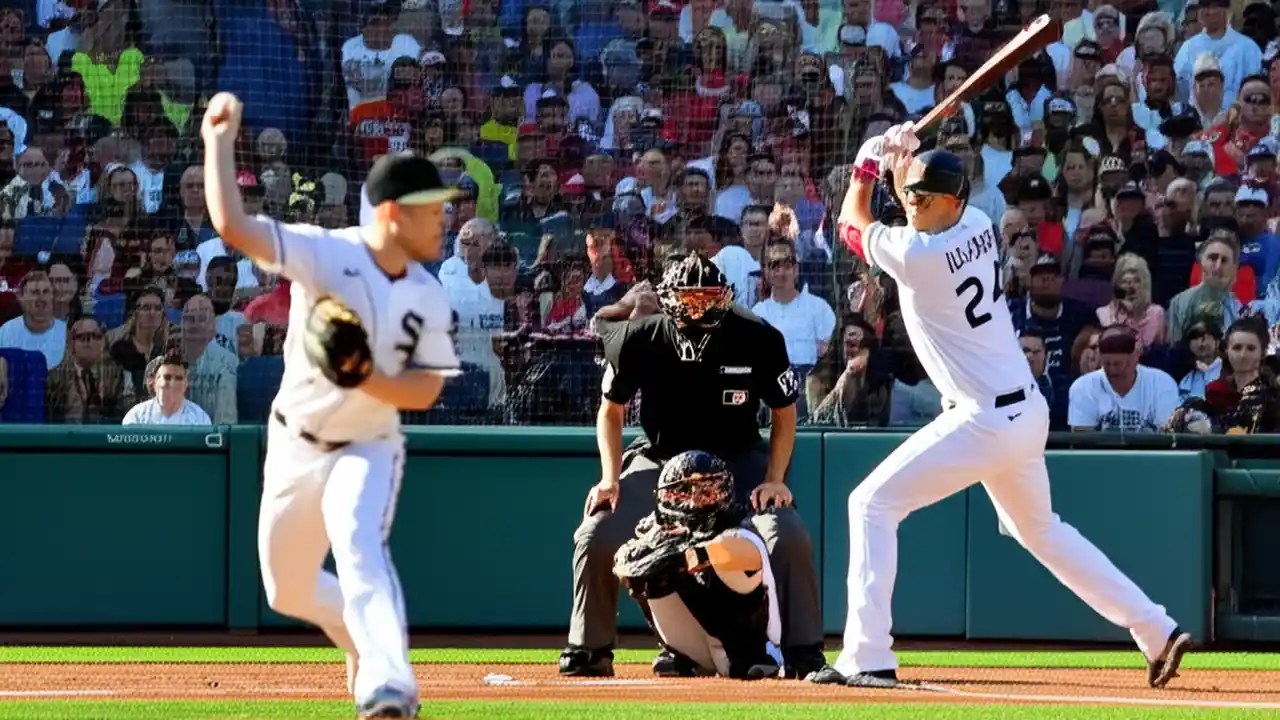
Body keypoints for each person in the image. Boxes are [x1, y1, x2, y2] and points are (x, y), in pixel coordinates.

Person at [807, 124, 1192, 690]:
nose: (916, 205)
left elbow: (851, 224)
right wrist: (902, 167)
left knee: (870, 504)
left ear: (954, 200)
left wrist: (869, 163)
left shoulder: (920, 254)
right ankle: (1155, 628)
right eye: (912, 197)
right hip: (1018, 411)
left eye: (927, 198)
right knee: (1040, 531)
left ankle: (867, 653)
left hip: (984, 416)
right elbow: (902, 209)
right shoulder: (978, 225)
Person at [201, 92, 460, 720]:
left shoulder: (429, 294)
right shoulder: (326, 251)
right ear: (394, 213)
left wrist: (368, 376)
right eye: (432, 211)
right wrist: (217, 142)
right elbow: (234, 227)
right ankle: (357, 636)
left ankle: (390, 684)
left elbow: (426, 388)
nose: (444, 222)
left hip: (369, 446)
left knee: (357, 542)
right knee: (284, 588)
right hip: (295, 442)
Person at [560, 252, 825, 681]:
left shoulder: (757, 336)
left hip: (738, 459)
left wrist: (776, 479)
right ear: (668, 299)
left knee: (785, 531)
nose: (699, 307)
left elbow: (785, 411)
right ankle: (589, 648)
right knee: (597, 529)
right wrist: (609, 479)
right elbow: (611, 411)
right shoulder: (639, 338)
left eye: (709, 297)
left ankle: (805, 652)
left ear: (727, 297)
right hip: (662, 458)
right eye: (690, 298)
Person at [613, 450, 783, 679]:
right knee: (650, 575)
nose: (695, 500)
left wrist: (685, 558)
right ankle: (683, 656)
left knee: (710, 566)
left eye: (707, 491)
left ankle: (752, 658)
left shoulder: (737, 523)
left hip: (751, 644)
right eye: (683, 492)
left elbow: (742, 553)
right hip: (699, 638)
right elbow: (623, 564)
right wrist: (640, 562)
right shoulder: (659, 529)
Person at [121, 353, 213, 426]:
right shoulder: (137, 416)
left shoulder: (199, 418)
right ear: (153, 382)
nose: (173, 383)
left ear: (186, 384)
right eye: (167, 377)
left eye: (179, 378)